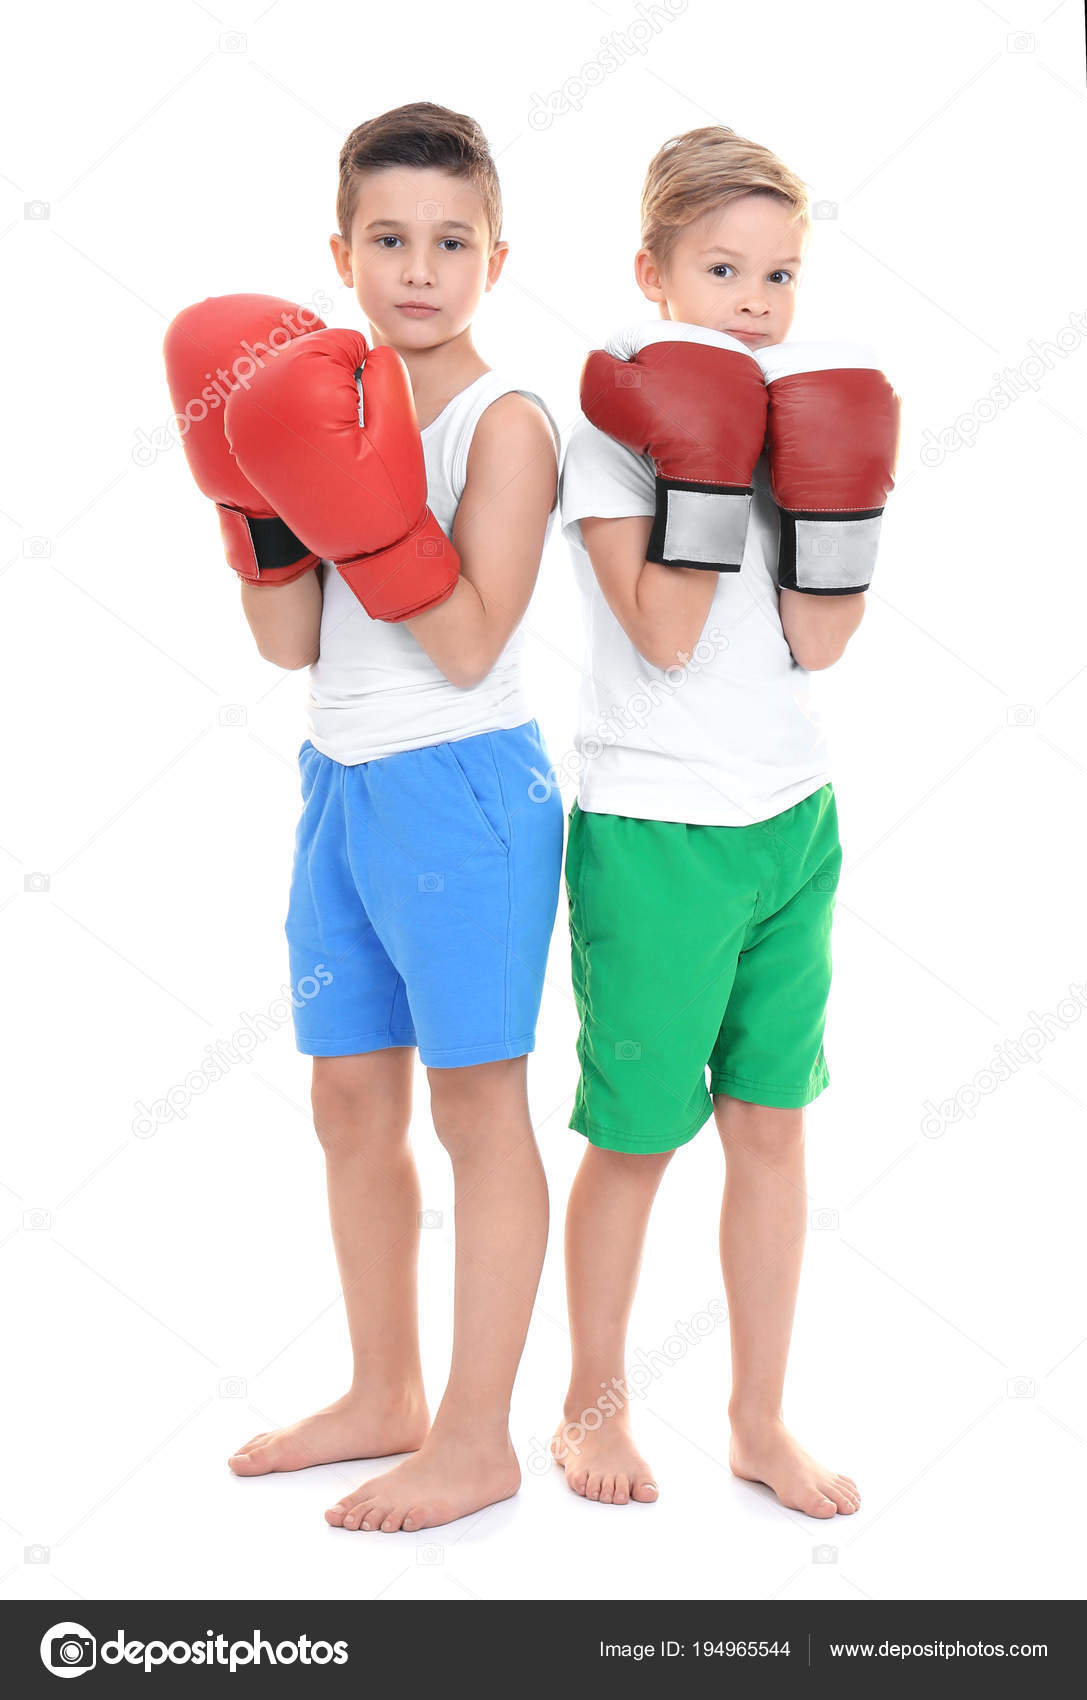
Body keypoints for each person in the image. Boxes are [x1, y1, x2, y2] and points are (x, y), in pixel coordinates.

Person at [164, 102, 563, 1534]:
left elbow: (466, 643)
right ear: (339, 252)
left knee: (475, 1106)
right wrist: (262, 499)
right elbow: (288, 645)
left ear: (494, 258)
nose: (418, 268)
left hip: (465, 795)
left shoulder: (504, 425)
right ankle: (384, 1389)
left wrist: (360, 505)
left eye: (450, 241)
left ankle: (476, 1437)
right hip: (339, 783)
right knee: (347, 1097)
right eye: (388, 239)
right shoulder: (313, 402)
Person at [552, 124, 899, 1516]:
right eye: (723, 268)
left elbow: (819, 646)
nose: (757, 300)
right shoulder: (612, 425)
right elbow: (667, 631)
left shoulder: (800, 410)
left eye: (781, 273)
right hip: (656, 827)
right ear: (654, 269)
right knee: (636, 1136)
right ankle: (590, 1413)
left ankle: (758, 1419)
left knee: (771, 1125)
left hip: (791, 816)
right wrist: (702, 466)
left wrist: (832, 498)